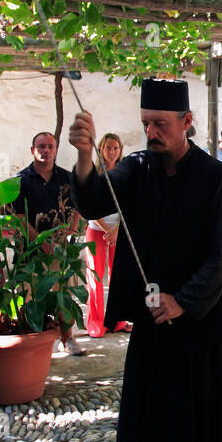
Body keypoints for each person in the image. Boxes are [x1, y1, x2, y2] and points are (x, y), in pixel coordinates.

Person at [69, 78, 222, 442]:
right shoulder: (136, 169)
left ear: (187, 123)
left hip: (198, 329)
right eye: (147, 124)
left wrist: (182, 300)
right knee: (147, 424)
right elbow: (93, 200)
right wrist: (86, 157)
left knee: (191, 427)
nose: (152, 132)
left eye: (161, 124)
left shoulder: (216, 179)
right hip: (152, 328)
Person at [12, 131, 85, 356]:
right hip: (30, 250)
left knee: (62, 293)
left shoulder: (67, 178)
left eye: (50, 146)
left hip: (59, 249)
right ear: (33, 150)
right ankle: (31, 342)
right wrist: (38, 240)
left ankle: (67, 338)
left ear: (55, 149)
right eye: (41, 146)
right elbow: (18, 216)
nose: (46, 150)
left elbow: (78, 206)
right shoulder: (21, 180)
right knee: (29, 297)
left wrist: (70, 231)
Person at [84, 133, 130, 338]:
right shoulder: (93, 174)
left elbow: (129, 205)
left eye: (116, 148)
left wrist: (117, 231)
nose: (112, 152)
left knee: (118, 278)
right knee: (95, 278)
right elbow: (90, 206)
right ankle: (95, 323)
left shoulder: (124, 173)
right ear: (101, 149)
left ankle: (116, 320)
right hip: (97, 231)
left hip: (118, 232)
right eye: (108, 148)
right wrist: (107, 231)